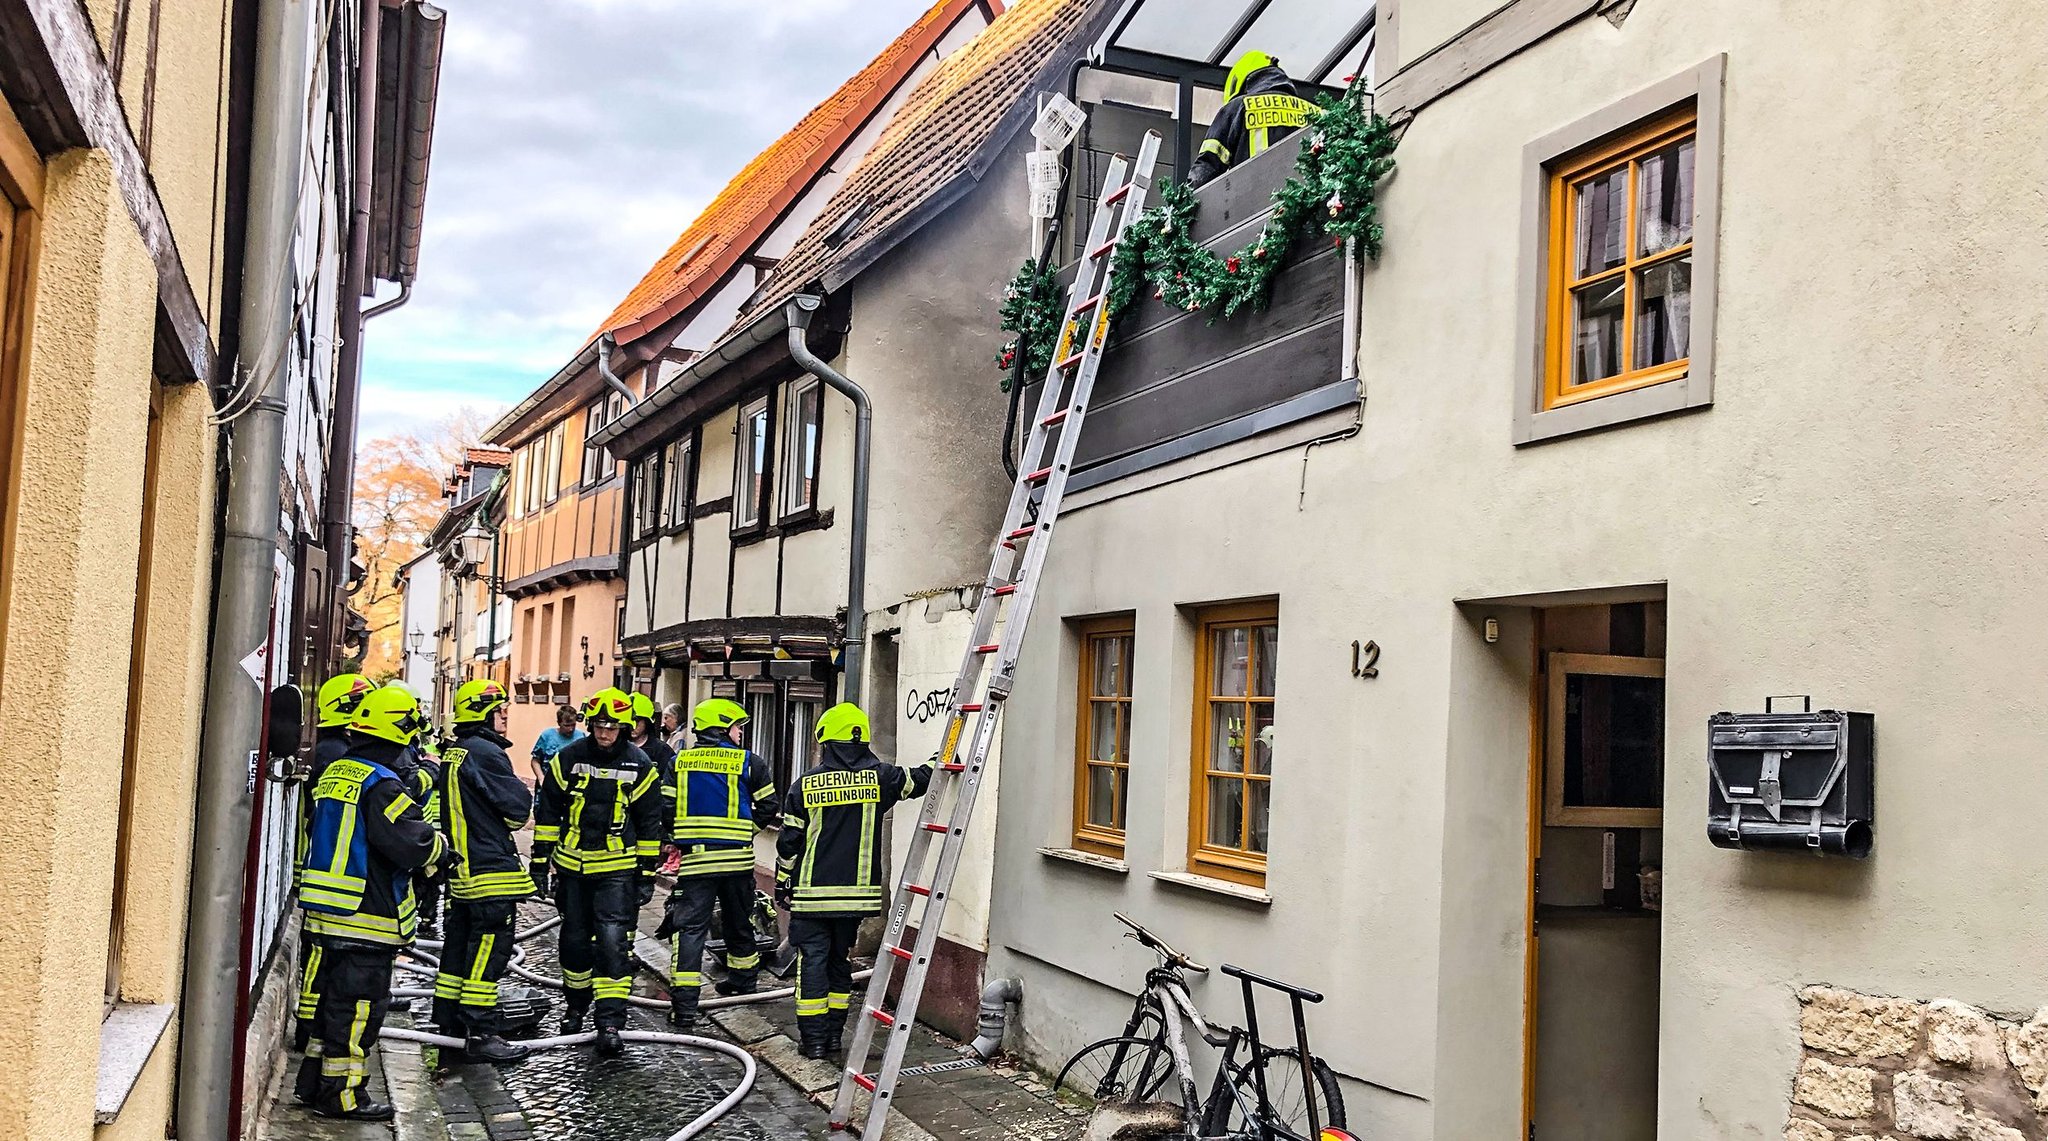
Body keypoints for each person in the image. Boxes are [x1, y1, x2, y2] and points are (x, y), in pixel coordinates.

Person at [293, 685, 446, 1119]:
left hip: (327, 915)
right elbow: (411, 843)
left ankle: (313, 1085)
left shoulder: (339, 770)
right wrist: (441, 849)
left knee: (332, 1009)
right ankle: (342, 1097)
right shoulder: (382, 784)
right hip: (367, 918)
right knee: (359, 1013)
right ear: (400, 733)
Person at [776, 703, 932, 1059]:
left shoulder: (805, 785)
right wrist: (943, 755)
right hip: (855, 899)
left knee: (812, 963)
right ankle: (833, 1037)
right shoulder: (880, 777)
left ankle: (813, 1041)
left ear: (827, 742)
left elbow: (789, 843)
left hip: (811, 898)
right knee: (838, 962)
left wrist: (783, 883)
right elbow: (918, 780)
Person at [529, 687, 664, 1056]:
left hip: (617, 872)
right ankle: (576, 1007)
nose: (605, 733)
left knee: (612, 945)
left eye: (612, 727)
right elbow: (548, 812)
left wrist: (647, 874)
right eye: (600, 726)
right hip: (572, 869)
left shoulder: (639, 764)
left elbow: (650, 821)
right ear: (590, 725)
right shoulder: (568, 758)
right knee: (573, 943)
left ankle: (610, 1022)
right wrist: (540, 861)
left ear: (623, 728)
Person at [654, 698, 777, 1029]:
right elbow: (769, 805)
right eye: (737, 726)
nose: (740, 733)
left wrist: (681, 838)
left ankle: (684, 1006)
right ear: (721, 728)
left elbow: (666, 808)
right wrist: (745, 832)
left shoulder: (680, 762)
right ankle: (743, 983)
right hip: (737, 860)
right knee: (739, 921)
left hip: (697, 862)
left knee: (690, 930)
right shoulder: (748, 762)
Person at [432, 679, 535, 1066]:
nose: (505, 715)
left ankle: (449, 1027)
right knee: (488, 952)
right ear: (482, 713)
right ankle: (481, 1033)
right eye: (498, 709)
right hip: (490, 872)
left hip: (464, 871)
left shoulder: (457, 751)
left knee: (458, 951)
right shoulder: (485, 752)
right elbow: (517, 809)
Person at [295, 672, 376, 1052]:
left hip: (324, 870)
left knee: (320, 954)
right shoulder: (336, 754)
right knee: (319, 953)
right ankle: (309, 1027)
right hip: (329, 874)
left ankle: (311, 1026)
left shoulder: (329, 749)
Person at [1188, 50, 1319, 189]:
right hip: (1311, 200)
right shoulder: (1318, 113)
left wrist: (1185, 198)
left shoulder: (1238, 107)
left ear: (1241, 85)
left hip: (1256, 198)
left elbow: (1207, 168)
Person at [531, 703, 584, 784]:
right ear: (559, 723)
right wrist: (541, 778)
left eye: (573, 725)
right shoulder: (547, 736)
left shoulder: (581, 737)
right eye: (567, 725)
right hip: (548, 782)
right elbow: (535, 760)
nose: (571, 729)